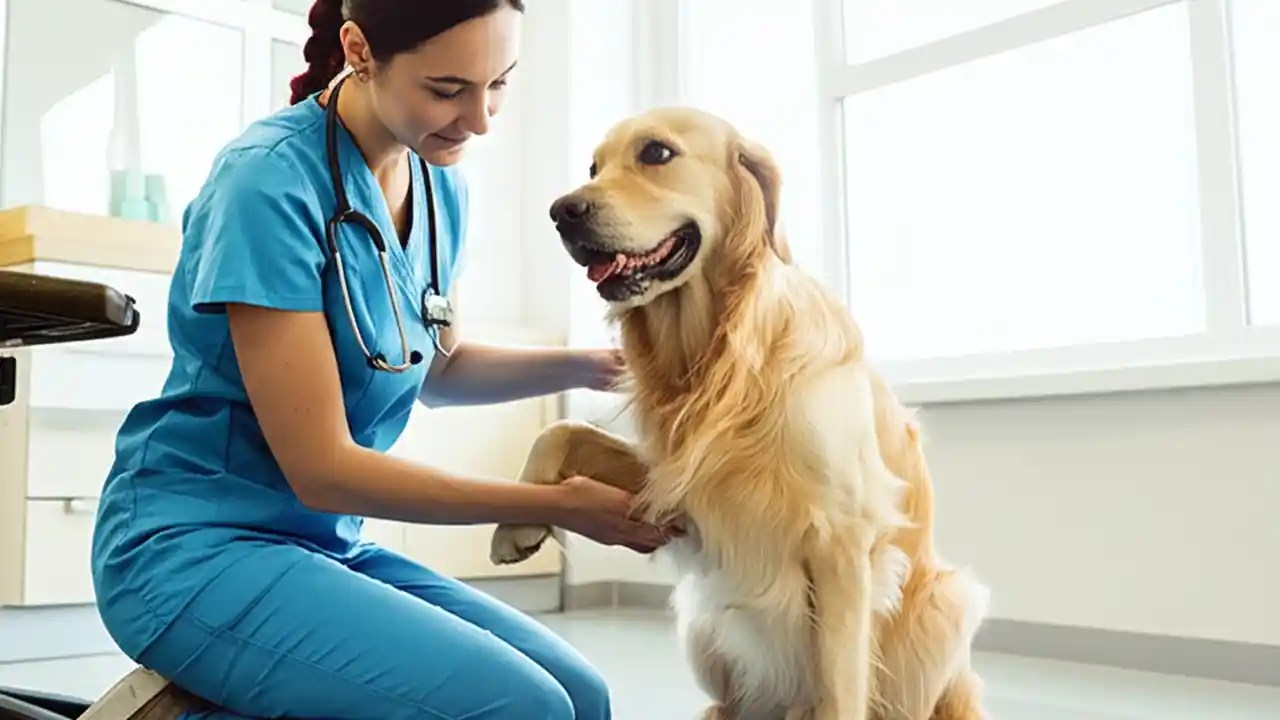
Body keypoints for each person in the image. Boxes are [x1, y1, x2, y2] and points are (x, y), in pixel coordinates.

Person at [89, 1, 677, 718]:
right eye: (448, 89)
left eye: (499, 84)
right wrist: (559, 506)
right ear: (359, 50)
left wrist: (591, 364)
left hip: (320, 547)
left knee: (583, 698)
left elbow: (438, 369)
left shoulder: (437, 180)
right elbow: (324, 469)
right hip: (191, 550)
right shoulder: (266, 184)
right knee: (526, 710)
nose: (482, 120)